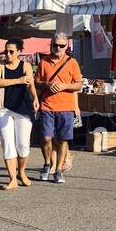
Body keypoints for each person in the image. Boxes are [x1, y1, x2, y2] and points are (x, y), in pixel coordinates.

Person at [35, 32, 82, 184]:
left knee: (62, 140)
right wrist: (46, 84)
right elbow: (36, 82)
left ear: (66, 46)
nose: (58, 48)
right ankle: (47, 164)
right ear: (51, 45)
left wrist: (65, 86)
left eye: (61, 45)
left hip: (66, 107)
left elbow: (79, 84)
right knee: (46, 138)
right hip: (47, 106)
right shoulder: (44, 61)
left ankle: (59, 170)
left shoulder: (72, 62)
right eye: (55, 45)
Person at [0, 40, 36, 190]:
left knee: (23, 145)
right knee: (7, 143)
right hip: (3, 108)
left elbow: (31, 85)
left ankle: (21, 172)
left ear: (19, 52)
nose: (8, 54)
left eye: (11, 51)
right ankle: (12, 179)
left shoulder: (26, 66)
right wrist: (19, 80)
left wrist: (35, 98)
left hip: (23, 108)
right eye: (6, 51)